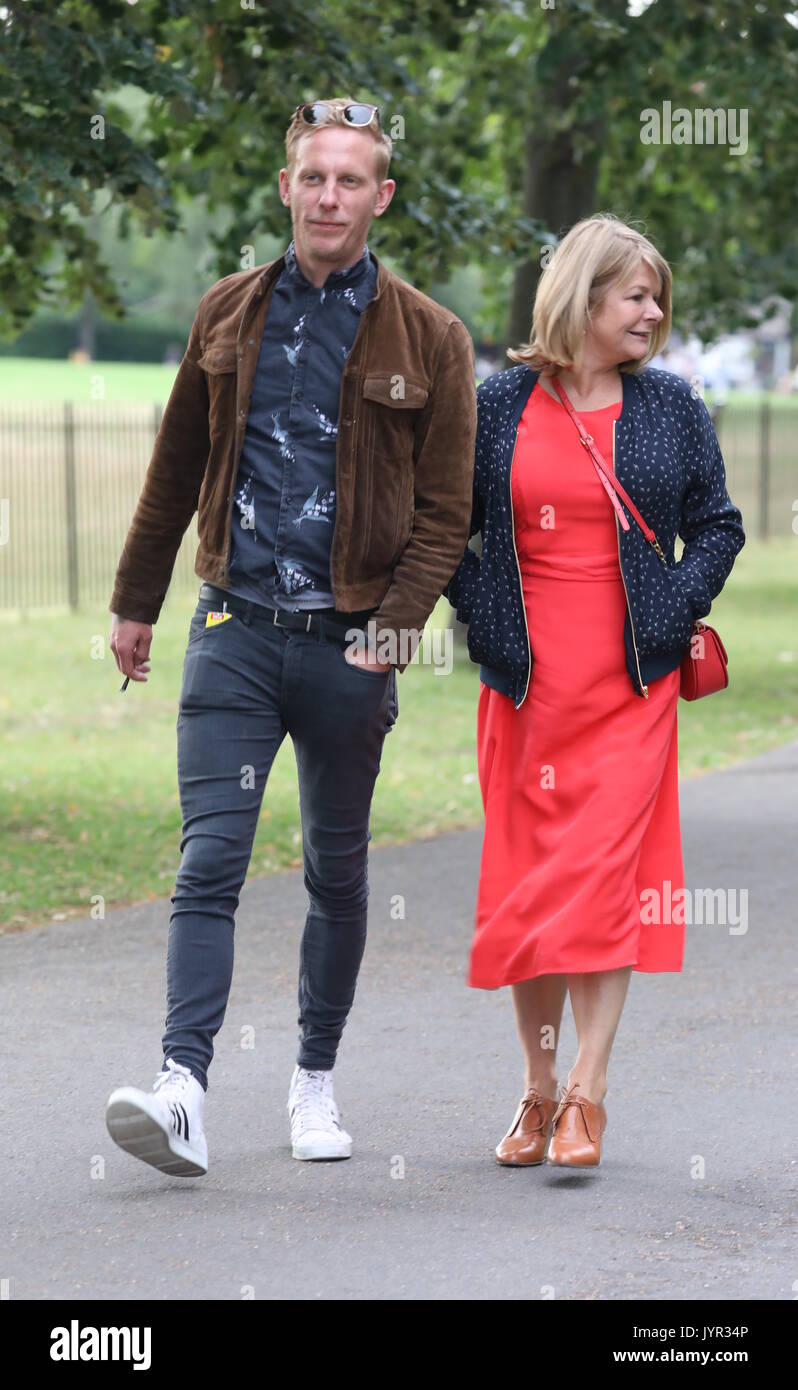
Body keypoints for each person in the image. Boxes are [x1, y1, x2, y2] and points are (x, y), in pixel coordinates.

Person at [104, 97, 477, 1175]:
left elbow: (446, 513)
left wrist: (393, 633)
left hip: (348, 643)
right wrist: (136, 601)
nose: (329, 196)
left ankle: (314, 1078)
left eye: (351, 180)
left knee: (337, 871)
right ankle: (182, 1090)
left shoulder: (433, 336)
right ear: (286, 187)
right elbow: (177, 465)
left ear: (381, 197)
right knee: (210, 857)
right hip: (232, 624)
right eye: (313, 176)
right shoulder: (227, 311)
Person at [444, 214, 745, 1169]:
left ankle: (588, 1093)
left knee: (606, 879)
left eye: (658, 297)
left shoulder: (672, 407)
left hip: (630, 682)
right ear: (582, 296)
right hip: (528, 686)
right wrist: (476, 614)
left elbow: (721, 525)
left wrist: (672, 609)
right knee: (534, 890)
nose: (653, 312)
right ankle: (536, 1093)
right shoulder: (498, 404)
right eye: (636, 295)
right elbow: (444, 523)